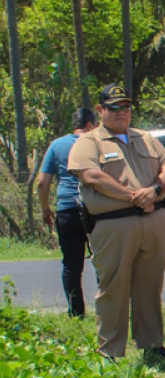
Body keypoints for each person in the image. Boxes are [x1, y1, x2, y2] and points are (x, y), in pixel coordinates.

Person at [67, 84, 165, 365]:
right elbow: (92, 176)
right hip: (113, 224)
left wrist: (153, 191)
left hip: (152, 220)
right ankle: (110, 351)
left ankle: (153, 346)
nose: (122, 113)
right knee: (113, 288)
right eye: (115, 107)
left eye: (126, 107)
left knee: (150, 286)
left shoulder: (145, 138)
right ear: (101, 110)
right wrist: (134, 196)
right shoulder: (89, 142)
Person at [38, 108, 98, 318]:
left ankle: (76, 312)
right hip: (94, 207)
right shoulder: (96, 143)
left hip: (66, 209)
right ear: (90, 125)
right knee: (102, 261)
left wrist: (45, 209)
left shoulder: (57, 145)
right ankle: (106, 310)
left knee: (72, 265)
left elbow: (42, 182)